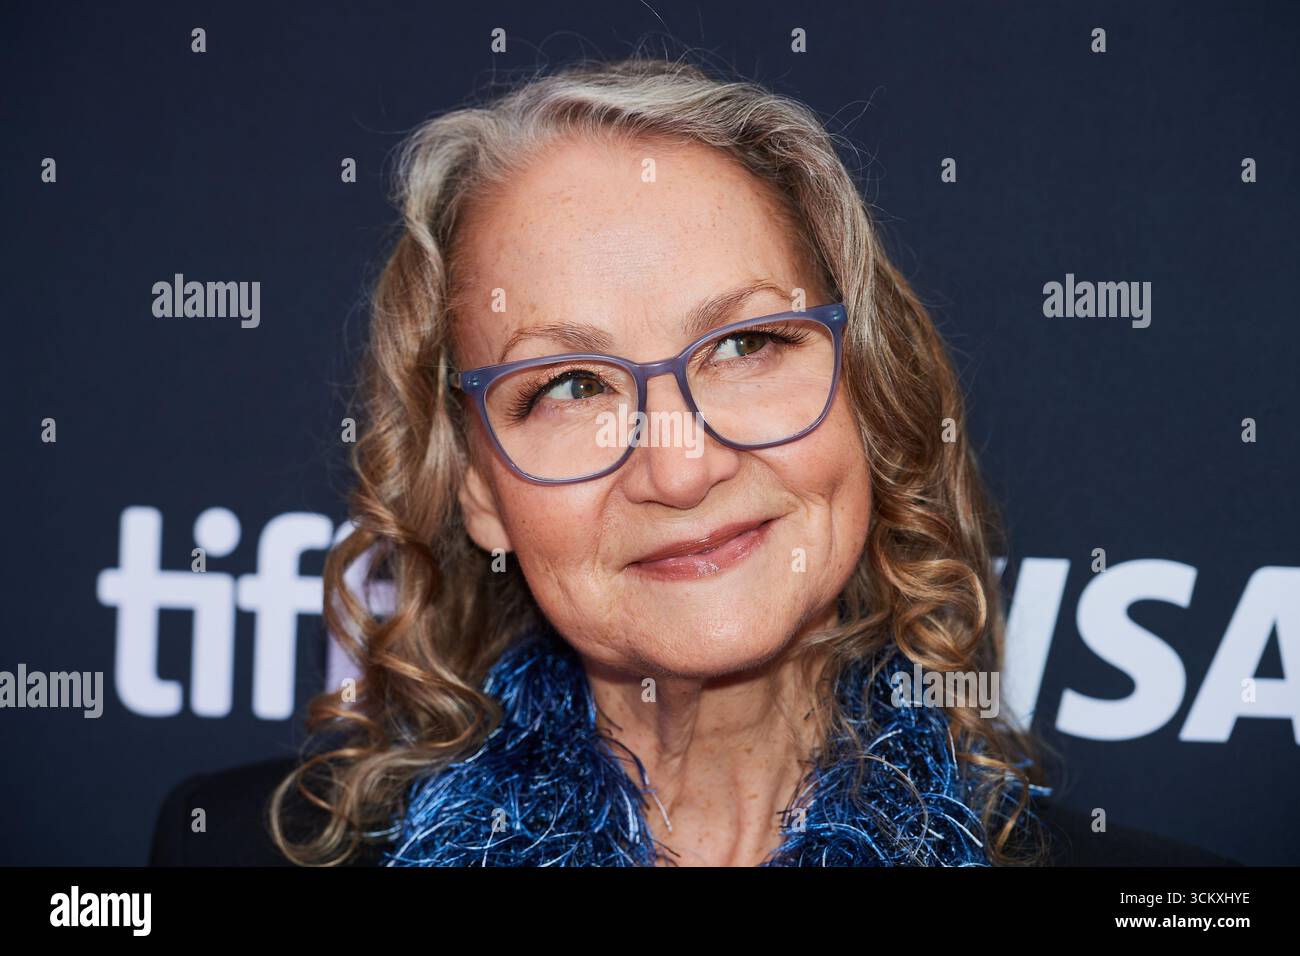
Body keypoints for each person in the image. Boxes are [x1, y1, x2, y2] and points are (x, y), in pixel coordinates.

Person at [150, 55, 1235, 868]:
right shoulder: (243, 849)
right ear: (477, 485)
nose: (678, 469)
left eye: (745, 345)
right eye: (568, 386)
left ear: (864, 386)